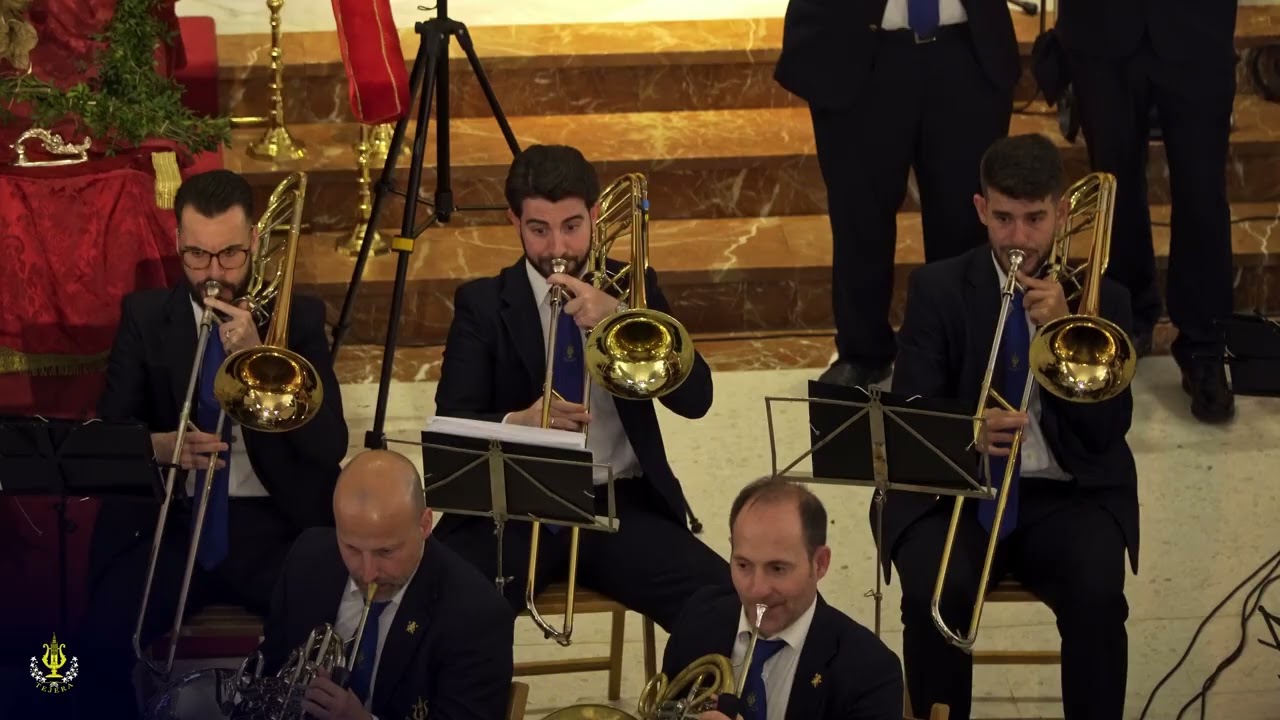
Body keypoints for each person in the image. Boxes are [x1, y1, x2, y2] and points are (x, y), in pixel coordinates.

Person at [881, 134, 1137, 719]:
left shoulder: (1105, 304)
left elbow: (1106, 435)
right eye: (1003, 218)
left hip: (1066, 496)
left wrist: (1067, 332)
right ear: (980, 210)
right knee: (932, 596)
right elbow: (910, 415)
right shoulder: (938, 289)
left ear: (1062, 214)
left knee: (1099, 596)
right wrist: (968, 431)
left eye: (1034, 219)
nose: (1018, 238)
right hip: (960, 490)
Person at [76, 169, 349, 716]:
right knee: (101, 634)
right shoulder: (146, 316)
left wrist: (256, 360)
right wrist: (159, 447)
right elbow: (109, 433)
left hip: (274, 524)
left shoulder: (298, 318)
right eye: (197, 256)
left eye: (230, 255)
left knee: (315, 645)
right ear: (177, 243)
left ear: (254, 243)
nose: (214, 274)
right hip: (176, 521)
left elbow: (329, 444)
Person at [431, 143, 732, 629]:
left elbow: (697, 399)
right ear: (514, 221)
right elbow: (451, 429)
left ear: (594, 215)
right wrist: (519, 423)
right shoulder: (482, 305)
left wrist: (621, 317)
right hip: (513, 507)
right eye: (538, 229)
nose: (557, 250)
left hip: (618, 503)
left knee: (723, 605)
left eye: (572, 227)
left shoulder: (633, 287)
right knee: (444, 614)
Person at [773, 0, 1020, 388]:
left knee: (963, 216)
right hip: (856, 49)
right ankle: (862, 352)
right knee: (859, 213)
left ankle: (955, 349)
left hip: (965, 49)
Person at [1055, 0, 1238, 422]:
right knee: (1113, 187)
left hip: (1196, 28)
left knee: (1203, 192)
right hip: (1100, 28)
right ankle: (1125, 315)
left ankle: (1204, 346)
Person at [257, 450, 514, 720]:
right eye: (352, 548)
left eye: (386, 552)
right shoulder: (307, 557)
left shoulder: (478, 616)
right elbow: (271, 666)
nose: (368, 574)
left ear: (424, 524)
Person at [663, 477, 903, 720]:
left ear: (820, 564)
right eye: (743, 565)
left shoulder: (870, 671)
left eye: (777, 568)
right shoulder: (698, 618)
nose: (757, 590)